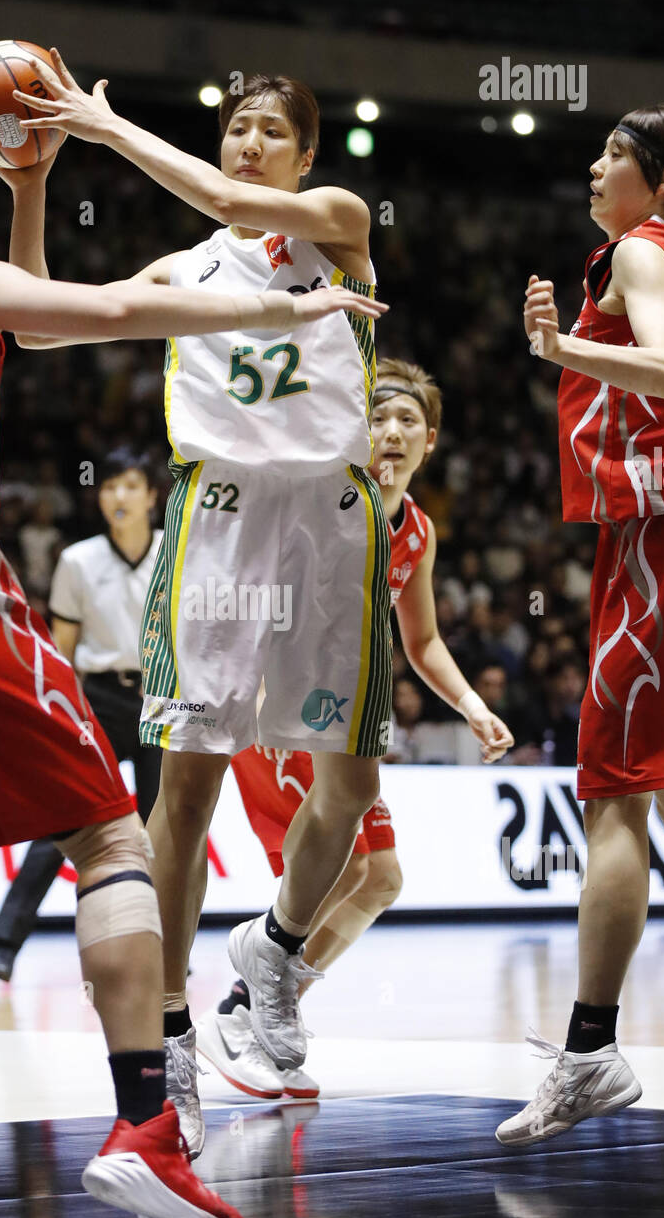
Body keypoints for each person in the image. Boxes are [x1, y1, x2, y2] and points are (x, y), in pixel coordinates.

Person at [0, 127, 374, 1218]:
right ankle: (145, 1131)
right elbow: (106, 311)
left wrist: (30, 187)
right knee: (112, 835)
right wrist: (279, 312)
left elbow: (30, 307)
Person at [11, 52, 392, 1157]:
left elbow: (231, 200)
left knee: (350, 786)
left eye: (268, 130)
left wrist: (102, 126)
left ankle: (271, 951)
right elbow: (40, 323)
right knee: (189, 784)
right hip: (221, 518)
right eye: (233, 128)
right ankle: (172, 1030)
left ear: (306, 153)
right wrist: (35, 180)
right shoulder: (188, 262)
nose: (245, 145)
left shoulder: (336, 218)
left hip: (330, 517)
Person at [197, 362, 514, 1097]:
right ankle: (243, 1015)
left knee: (381, 879)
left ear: (430, 441)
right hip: (282, 706)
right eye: (378, 418)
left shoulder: (419, 532)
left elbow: (424, 642)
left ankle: (251, 1016)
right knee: (333, 870)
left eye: (407, 421)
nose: (391, 432)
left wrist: (469, 704)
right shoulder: (325, 497)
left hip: (346, 708)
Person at [496, 106, 664, 1146]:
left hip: (655, 541)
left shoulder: (643, 255)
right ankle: (589, 1048)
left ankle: (591, 1050)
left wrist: (561, 347)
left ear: (660, 182)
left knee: (616, 799)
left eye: (614, 154)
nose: (592, 165)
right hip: (641, 535)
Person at [0, 445, 164, 981]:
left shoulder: (175, 554)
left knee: (166, 832)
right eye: (109, 487)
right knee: (62, 822)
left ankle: (165, 947)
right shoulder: (78, 560)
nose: (120, 496)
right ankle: (4, 944)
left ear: (153, 497)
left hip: (160, 700)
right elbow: (61, 652)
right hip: (99, 703)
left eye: (131, 486)